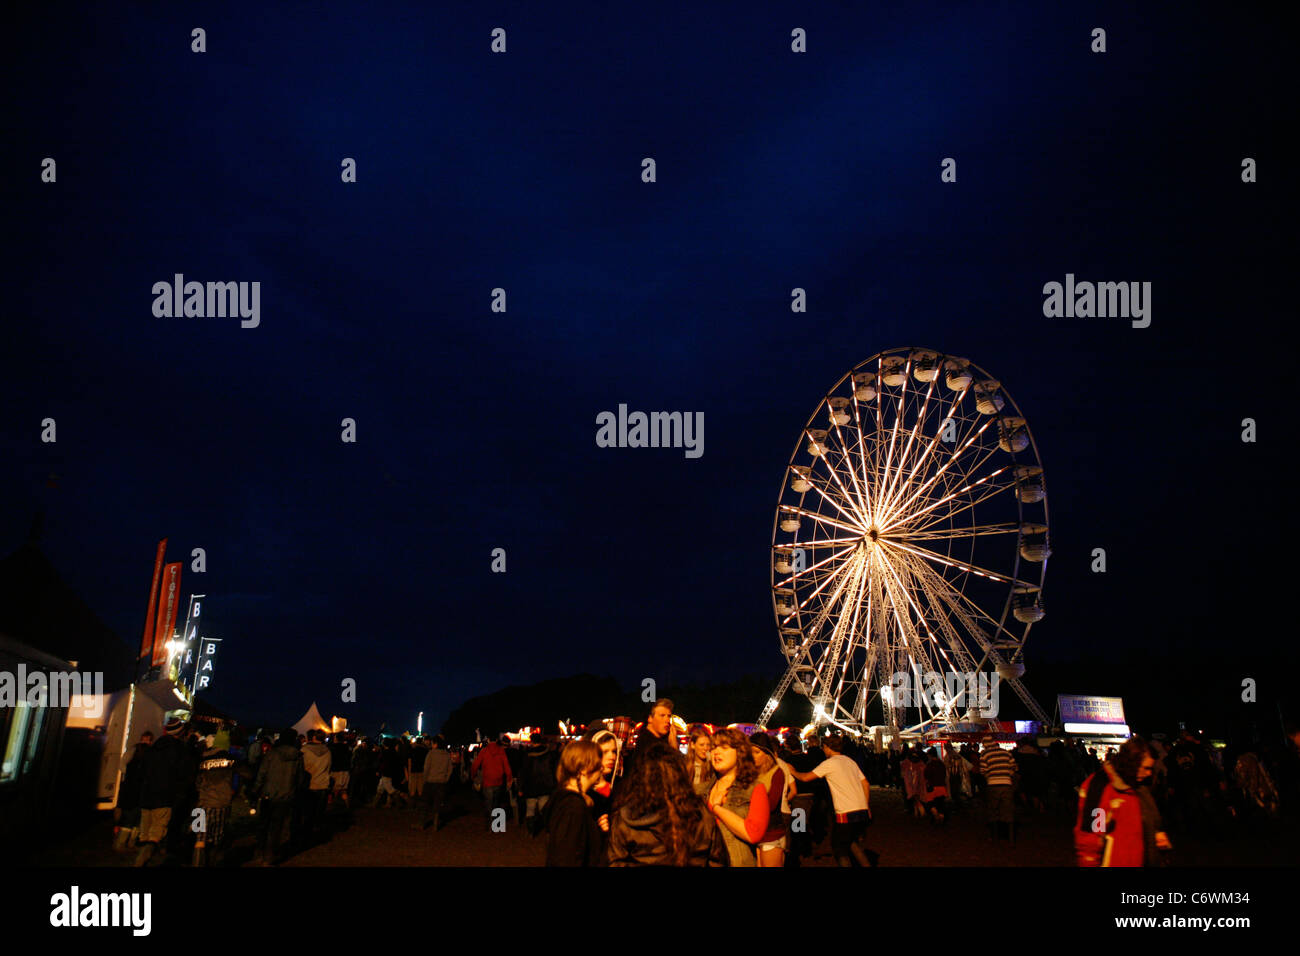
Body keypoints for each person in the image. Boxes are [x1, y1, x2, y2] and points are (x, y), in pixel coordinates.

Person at [607, 743, 727, 866]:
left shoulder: (628, 817)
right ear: (680, 774)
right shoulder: (700, 814)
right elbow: (718, 859)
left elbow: (614, 860)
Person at [789, 734, 877, 867]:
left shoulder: (829, 763)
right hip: (861, 810)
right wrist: (866, 805)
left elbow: (806, 778)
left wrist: (793, 772)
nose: (823, 750)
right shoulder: (849, 761)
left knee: (839, 848)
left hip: (845, 811)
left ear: (828, 747)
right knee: (851, 842)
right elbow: (865, 784)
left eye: (824, 747)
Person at [1074, 736, 1159, 867]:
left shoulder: (1135, 787)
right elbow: (1092, 835)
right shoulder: (1101, 787)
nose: (1148, 774)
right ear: (1132, 762)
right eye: (1146, 768)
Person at [134, 717, 195, 867]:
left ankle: (142, 857)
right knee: (156, 833)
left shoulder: (154, 747)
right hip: (164, 797)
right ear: (180, 733)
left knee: (145, 833)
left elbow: (141, 771)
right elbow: (184, 775)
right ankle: (141, 861)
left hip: (146, 796)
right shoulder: (180, 750)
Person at [705, 728, 769, 867]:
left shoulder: (754, 789)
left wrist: (717, 809)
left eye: (724, 747)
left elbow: (753, 834)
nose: (716, 752)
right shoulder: (701, 790)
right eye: (714, 747)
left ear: (740, 752)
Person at [543, 740, 605, 866]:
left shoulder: (565, 799)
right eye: (598, 764)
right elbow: (566, 857)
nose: (602, 768)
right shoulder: (573, 808)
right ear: (583, 768)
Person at [252, 729, 303, 865]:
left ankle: (259, 851)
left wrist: (255, 790)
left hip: (268, 794)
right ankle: (269, 855)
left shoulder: (272, 754)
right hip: (286, 796)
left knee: (264, 824)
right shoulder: (297, 756)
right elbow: (300, 779)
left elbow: (262, 774)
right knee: (276, 827)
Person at [749, 733, 794, 867]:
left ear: (767, 753)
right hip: (757, 832)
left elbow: (771, 804)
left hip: (771, 833)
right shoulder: (753, 772)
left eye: (756, 752)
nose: (752, 756)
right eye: (750, 752)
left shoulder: (776, 772)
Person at [194, 734, 238, 866]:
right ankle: (211, 861)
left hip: (202, 804)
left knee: (200, 837)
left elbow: (198, 781)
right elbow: (242, 775)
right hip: (221, 804)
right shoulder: (231, 760)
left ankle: (196, 863)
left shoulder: (202, 758)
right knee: (216, 837)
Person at [114, 732, 152, 851]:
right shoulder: (151, 753)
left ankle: (122, 842)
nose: (145, 742)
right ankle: (130, 842)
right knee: (136, 818)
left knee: (130, 817)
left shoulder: (134, 750)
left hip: (131, 789)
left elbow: (122, 766)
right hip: (141, 790)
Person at [470, 735, 513, 829]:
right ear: (497, 740)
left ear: (488, 740)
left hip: (487, 780)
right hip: (499, 781)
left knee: (488, 802)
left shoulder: (484, 751)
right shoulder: (501, 751)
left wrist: (473, 776)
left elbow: (475, 765)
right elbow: (506, 766)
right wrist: (509, 778)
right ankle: (496, 824)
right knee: (496, 802)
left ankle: (489, 824)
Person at [980, 737, 1017, 843]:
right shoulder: (1006, 753)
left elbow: (983, 771)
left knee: (993, 809)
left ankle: (994, 836)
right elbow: (1013, 767)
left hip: (992, 784)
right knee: (1007, 809)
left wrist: (990, 777)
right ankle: (1010, 836)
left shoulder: (985, 754)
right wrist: (1006, 775)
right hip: (1007, 784)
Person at [415, 736, 455, 832]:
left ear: (436, 744)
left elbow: (426, 768)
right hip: (441, 782)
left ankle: (421, 824)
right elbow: (450, 769)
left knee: (424, 803)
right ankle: (435, 824)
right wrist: (445, 779)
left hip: (430, 781)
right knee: (437, 804)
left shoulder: (431, 754)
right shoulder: (446, 755)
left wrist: (425, 779)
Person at [299, 729, 332, 845]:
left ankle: (305, 836)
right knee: (319, 812)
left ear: (313, 737)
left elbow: (301, 769)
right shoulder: (328, 751)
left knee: (307, 812)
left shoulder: (304, 750)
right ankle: (316, 834)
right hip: (322, 784)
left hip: (309, 785)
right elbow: (328, 769)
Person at [585, 730, 619, 835]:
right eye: (605, 752)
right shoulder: (585, 791)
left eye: (614, 751)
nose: (612, 757)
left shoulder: (621, 785)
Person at [685, 727, 715, 798]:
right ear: (693, 745)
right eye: (701, 745)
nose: (705, 748)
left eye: (708, 745)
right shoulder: (684, 765)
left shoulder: (712, 767)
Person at [922, 748, 949, 824]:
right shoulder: (941, 764)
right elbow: (944, 775)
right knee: (940, 804)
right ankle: (941, 816)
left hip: (933, 787)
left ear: (930, 755)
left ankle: (936, 815)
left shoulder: (930, 765)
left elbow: (926, 775)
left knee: (931, 804)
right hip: (942, 787)